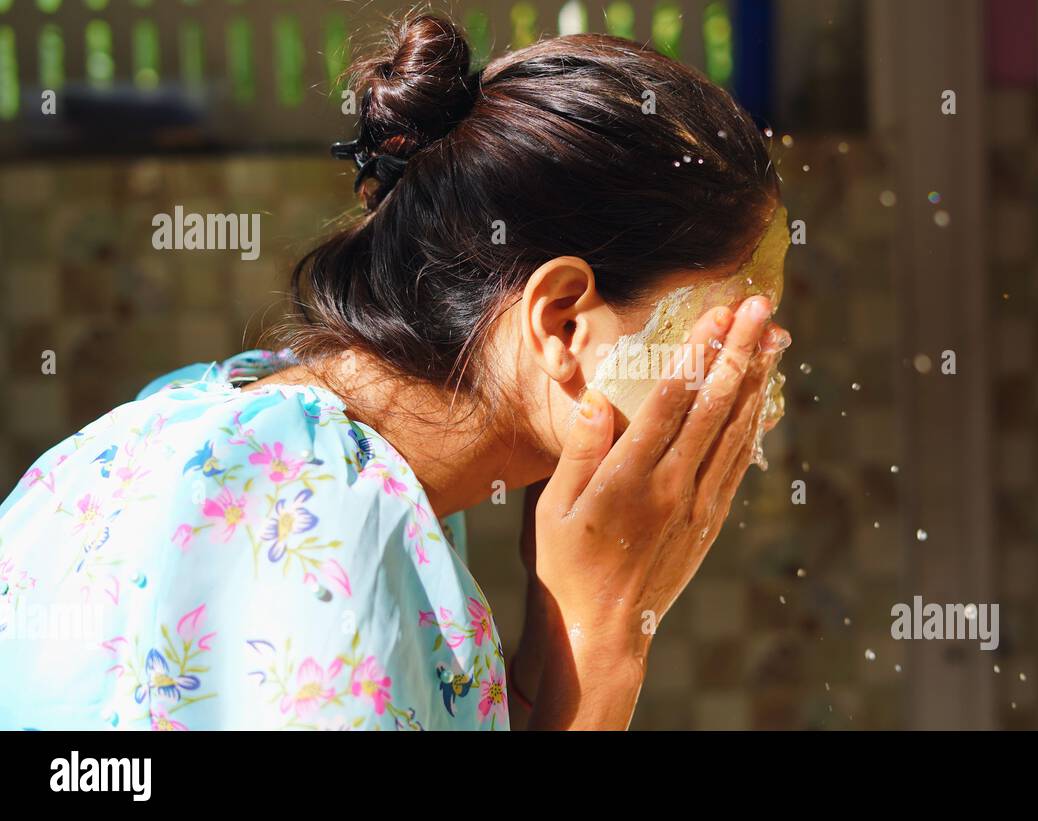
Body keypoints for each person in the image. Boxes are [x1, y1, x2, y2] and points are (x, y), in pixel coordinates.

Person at [0, 13, 790, 730]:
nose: (759, 399)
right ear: (562, 322)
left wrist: (560, 645)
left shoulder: (244, 430)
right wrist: (610, 639)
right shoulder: (317, 537)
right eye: (726, 339)